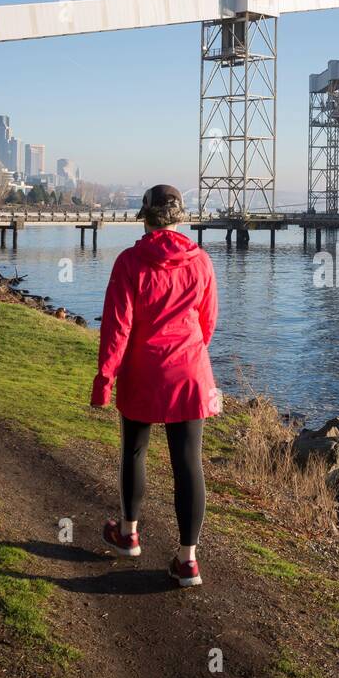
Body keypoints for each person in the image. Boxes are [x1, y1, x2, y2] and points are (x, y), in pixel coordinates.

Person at [90, 184, 218, 587]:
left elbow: (117, 329)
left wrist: (104, 379)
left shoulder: (130, 262)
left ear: (143, 217)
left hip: (143, 372)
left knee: (134, 451)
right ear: (180, 218)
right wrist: (189, 354)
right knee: (188, 463)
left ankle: (128, 535)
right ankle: (188, 561)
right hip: (189, 373)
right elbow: (207, 322)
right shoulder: (201, 262)